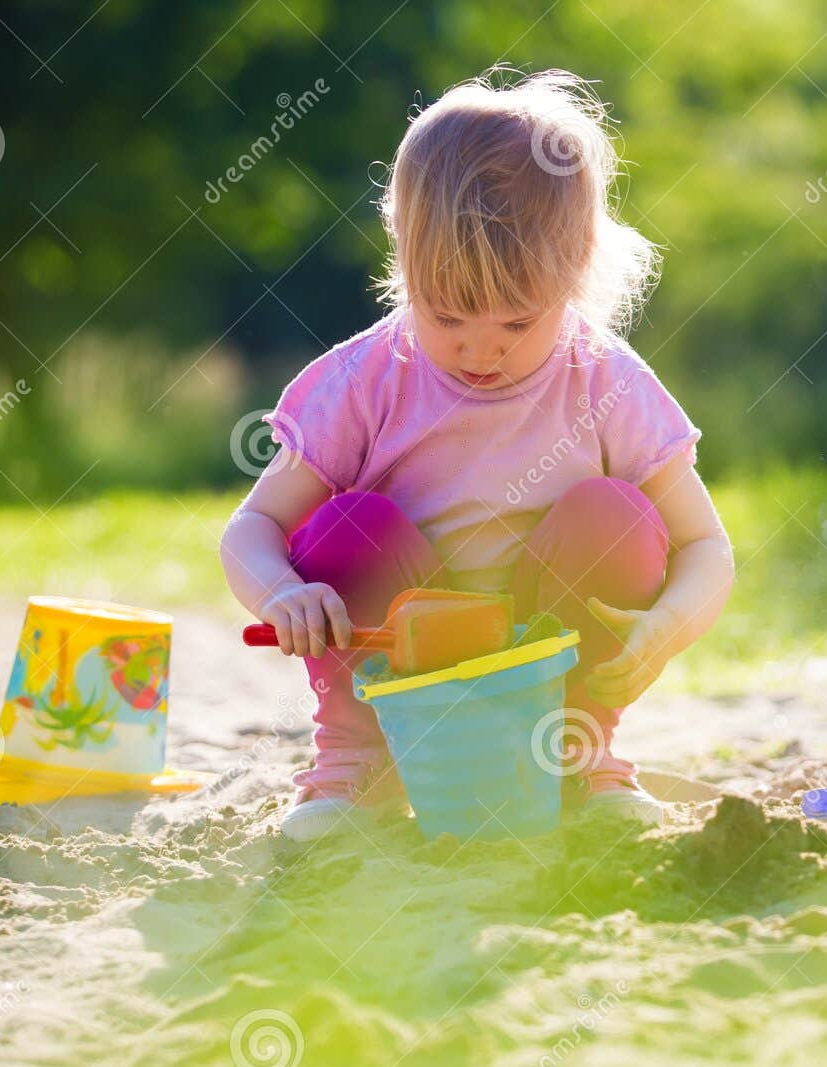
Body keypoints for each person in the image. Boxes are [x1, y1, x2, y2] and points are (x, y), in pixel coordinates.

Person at [220, 70, 734, 841]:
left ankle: (578, 754)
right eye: (448, 313)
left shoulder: (607, 381)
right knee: (344, 525)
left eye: (518, 321)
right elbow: (252, 527)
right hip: (401, 675)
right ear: (403, 266)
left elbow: (706, 546)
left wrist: (667, 624)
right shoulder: (367, 380)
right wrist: (278, 594)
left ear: (576, 274)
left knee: (616, 517)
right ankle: (364, 764)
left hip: (546, 678)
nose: (479, 347)